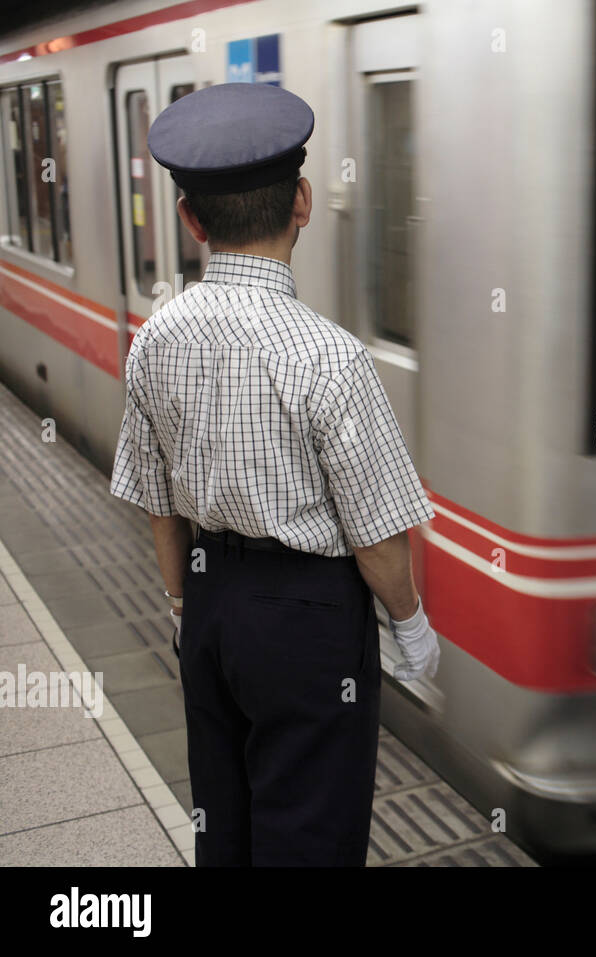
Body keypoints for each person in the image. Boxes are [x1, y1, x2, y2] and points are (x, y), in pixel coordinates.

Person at [108, 82, 438, 867]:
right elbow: (376, 538)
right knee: (310, 833)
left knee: (222, 822)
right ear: (304, 201)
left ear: (190, 219)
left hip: (212, 603)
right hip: (309, 624)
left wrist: (185, 606)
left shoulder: (156, 338)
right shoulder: (329, 355)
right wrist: (412, 627)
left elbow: (158, 504)